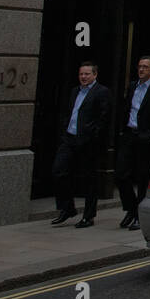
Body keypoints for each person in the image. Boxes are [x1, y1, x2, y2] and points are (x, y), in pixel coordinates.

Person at [51, 61, 113, 228]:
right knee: (59, 171)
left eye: (87, 74)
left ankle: (88, 216)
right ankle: (67, 208)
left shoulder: (102, 92)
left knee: (88, 179)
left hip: (88, 142)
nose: (83, 77)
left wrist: (93, 135)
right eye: (81, 74)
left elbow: (104, 118)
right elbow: (69, 112)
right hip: (69, 138)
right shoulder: (74, 91)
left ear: (95, 75)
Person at [114, 55, 150, 231]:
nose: (141, 69)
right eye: (139, 66)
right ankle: (130, 208)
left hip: (145, 138)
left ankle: (139, 216)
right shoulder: (132, 87)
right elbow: (127, 109)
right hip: (129, 135)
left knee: (143, 178)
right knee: (121, 175)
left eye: (145, 67)